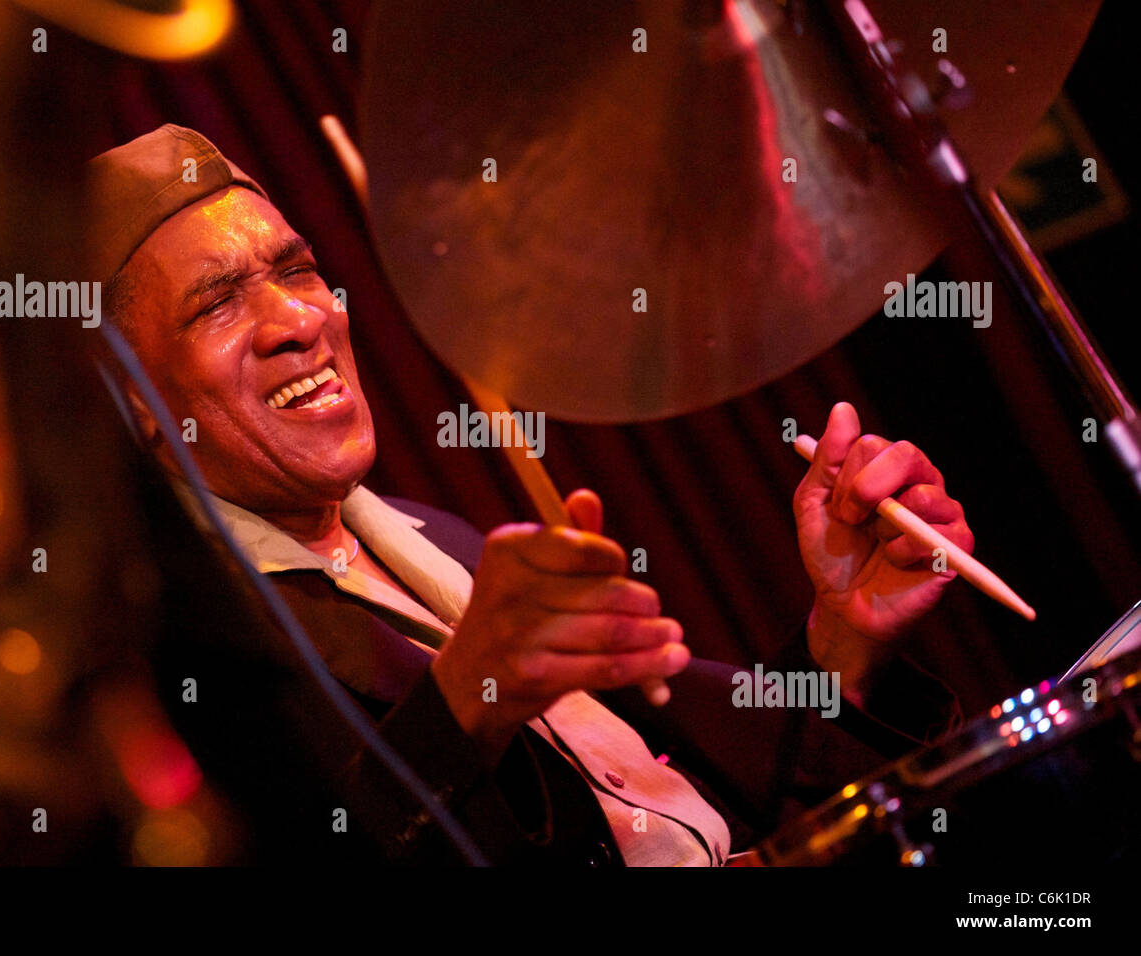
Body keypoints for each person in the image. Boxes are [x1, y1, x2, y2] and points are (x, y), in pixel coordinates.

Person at [83, 125, 969, 865]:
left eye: (298, 269)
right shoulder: (177, 656)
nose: (300, 321)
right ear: (134, 402)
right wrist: (466, 699)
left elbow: (711, 800)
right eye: (218, 305)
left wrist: (843, 636)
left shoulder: (444, 543)